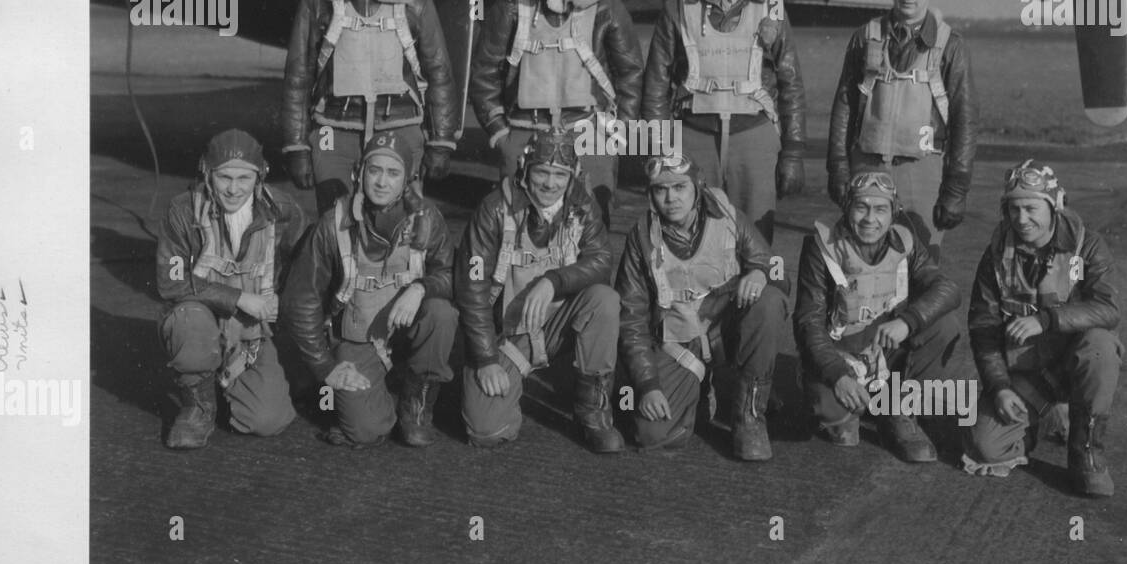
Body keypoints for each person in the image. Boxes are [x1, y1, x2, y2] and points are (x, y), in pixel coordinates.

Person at [281, 0, 460, 213]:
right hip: (335, 130)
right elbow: (299, 75)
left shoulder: (414, 0)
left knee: (400, 229)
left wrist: (442, 139)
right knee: (335, 227)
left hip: (401, 125)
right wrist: (296, 144)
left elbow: (438, 71)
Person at [469, 0, 643, 228]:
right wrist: (499, 132)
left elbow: (630, 70)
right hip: (524, 130)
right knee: (516, 228)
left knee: (592, 231)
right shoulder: (510, 7)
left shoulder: (605, 4)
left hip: (589, 132)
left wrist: (620, 131)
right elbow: (484, 72)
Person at [281, 132, 458, 448]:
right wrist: (325, 368)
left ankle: (416, 402)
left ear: (406, 181)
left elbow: (448, 274)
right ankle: (378, 396)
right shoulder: (332, 223)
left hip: (407, 330)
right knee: (365, 430)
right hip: (358, 336)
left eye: (393, 173)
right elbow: (302, 300)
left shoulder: (426, 217)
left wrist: (420, 287)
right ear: (358, 173)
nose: (382, 182)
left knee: (441, 314)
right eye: (374, 170)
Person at [641, 0, 806, 244]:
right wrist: (659, 150)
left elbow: (791, 83)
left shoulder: (770, 7)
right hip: (694, 136)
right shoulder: (675, 9)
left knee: (756, 239)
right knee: (690, 235)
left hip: (754, 137)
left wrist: (793, 151)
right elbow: (656, 85)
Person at [455, 130, 622, 452]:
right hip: (508, 335)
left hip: (557, 327)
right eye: (541, 172)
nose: (550, 183)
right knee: (486, 431)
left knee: (604, 299)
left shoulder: (582, 207)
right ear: (524, 168)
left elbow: (601, 261)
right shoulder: (493, 209)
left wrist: (553, 280)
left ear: (572, 175)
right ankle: (500, 384)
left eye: (559, 174)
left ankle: (593, 410)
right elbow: (471, 288)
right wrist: (486, 359)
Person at [962, 160, 1122, 496]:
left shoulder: (1087, 246)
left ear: (1055, 205)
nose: (1022, 219)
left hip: (1074, 365)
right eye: (1014, 209)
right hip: (1029, 374)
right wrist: (999, 387)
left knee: (1100, 346)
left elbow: (1108, 310)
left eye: (1032, 208)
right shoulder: (995, 255)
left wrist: (1046, 319)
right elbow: (983, 327)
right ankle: (1050, 415)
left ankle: (1086, 451)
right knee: (986, 447)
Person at [616, 152, 788, 461]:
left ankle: (750, 414)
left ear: (697, 187)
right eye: (660, 189)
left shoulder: (728, 216)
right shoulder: (641, 236)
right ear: (651, 195)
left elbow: (774, 267)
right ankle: (697, 386)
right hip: (678, 342)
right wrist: (646, 384)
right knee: (651, 434)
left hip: (727, 329)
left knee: (769, 301)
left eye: (680, 187)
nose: (671, 198)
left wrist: (759, 273)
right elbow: (631, 318)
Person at [793, 171, 964, 462]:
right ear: (847, 207)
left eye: (880, 209)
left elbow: (947, 289)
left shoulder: (905, 242)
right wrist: (837, 376)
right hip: (840, 354)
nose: (870, 219)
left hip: (882, 352)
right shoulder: (822, 246)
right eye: (862, 207)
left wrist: (908, 321)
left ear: (893, 212)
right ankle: (849, 401)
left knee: (943, 324)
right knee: (836, 418)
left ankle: (897, 408)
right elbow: (808, 321)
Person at [155, 130, 306, 449]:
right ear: (207, 174)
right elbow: (172, 282)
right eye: (224, 177)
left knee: (267, 420)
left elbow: (303, 266)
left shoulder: (283, 209)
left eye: (244, 178)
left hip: (251, 331)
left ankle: (232, 380)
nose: (234, 189)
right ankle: (198, 406)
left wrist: (282, 298)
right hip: (202, 320)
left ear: (260, 175)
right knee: (189, 321)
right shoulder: (182, 211)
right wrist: (239, 298)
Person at [826, 0, 977, 260]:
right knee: (860, 260)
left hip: (922, 172)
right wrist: (838, 167)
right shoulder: (864, 37)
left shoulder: (951, 45)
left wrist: (956, 189)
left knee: (922, 264)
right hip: (866, 167)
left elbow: (965, 120)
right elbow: (844, 104)